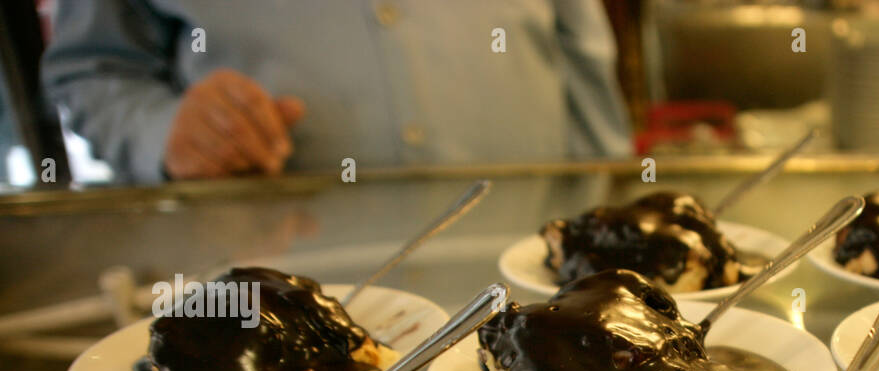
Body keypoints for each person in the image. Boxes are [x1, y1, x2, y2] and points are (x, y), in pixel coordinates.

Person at [41, 0, 631, 183]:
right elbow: (90, 67)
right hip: (270, 317)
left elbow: (583, 58)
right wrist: (163, 130)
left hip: (526, 286)